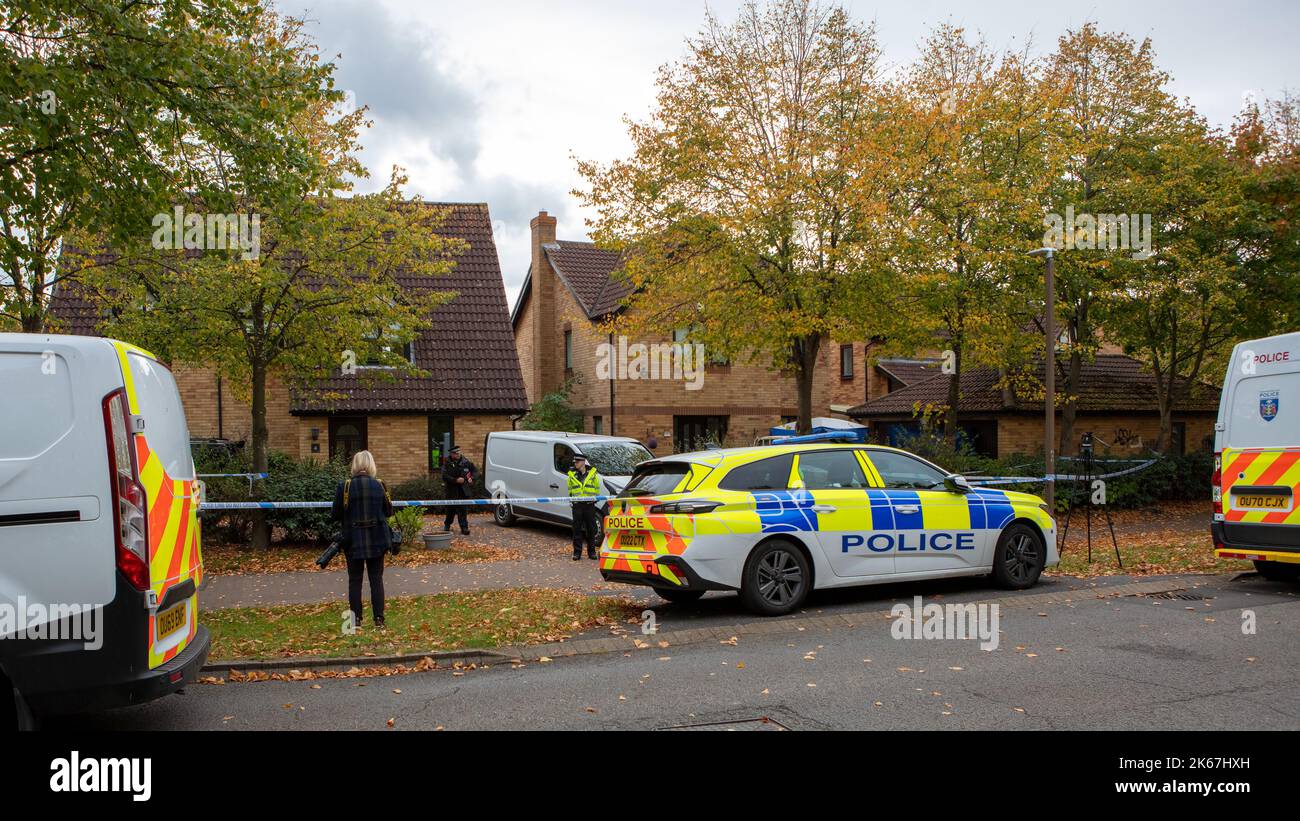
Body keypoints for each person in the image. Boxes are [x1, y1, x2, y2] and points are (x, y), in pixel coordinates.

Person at [332, 450, 394, 629]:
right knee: (376, 579)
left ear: (355, 465)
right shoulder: (380, 485)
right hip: (377, 538)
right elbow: (389, 512)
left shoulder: (344, 486)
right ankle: (379, 620)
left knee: (354, 580)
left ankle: (354, 621)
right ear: (371, 465)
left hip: (352, 539)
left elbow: (336, 514)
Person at [567, 453, 602, 561]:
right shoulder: (572, 475)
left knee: (591, 530)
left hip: (589, 505)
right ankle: (577, 553)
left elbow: (596, 488)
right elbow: (570, 490)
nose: (575, 464)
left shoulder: (592, 474)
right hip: (577, 506)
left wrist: (595, 498)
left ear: (583, 462)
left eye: (577, 462)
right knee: (576, 530)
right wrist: (572, 501)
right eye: (575, 462)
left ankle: (591, 552)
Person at [440, 444, 476, 535]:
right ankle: (447, 525)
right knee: (450, 510)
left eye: (458, 453)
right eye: (455, 453)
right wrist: (455, 480)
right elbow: (444, 476)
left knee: (463, 510)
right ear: (451, 454)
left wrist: (471, 479)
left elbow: (475, 472)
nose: (457, 454)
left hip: (463, 491)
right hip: (451, 491)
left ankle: (464, 527)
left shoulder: (466, 462)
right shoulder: (447, 463)